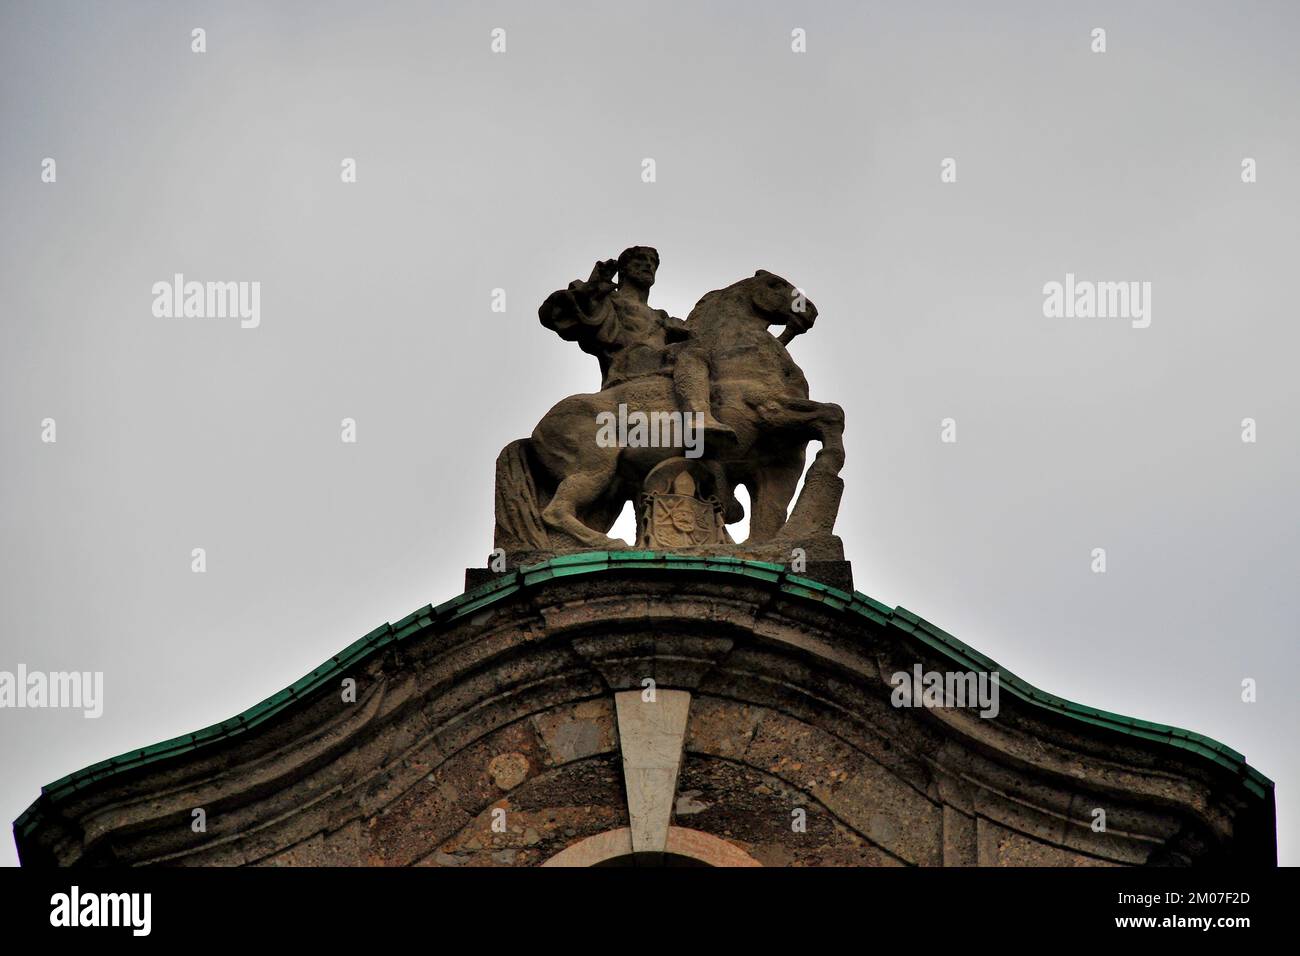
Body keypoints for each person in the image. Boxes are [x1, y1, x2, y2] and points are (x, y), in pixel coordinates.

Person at [539, 246, 737, 448]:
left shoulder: (661, 316)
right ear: (623, 269)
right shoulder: (611, 300)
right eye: (640, 260)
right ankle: (699, 417)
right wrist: (593, 287)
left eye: (652, 262)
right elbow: (553, 314)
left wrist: (679, 333)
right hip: (630, 364)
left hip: (659, 365)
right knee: (694, 353)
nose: (648, 265)